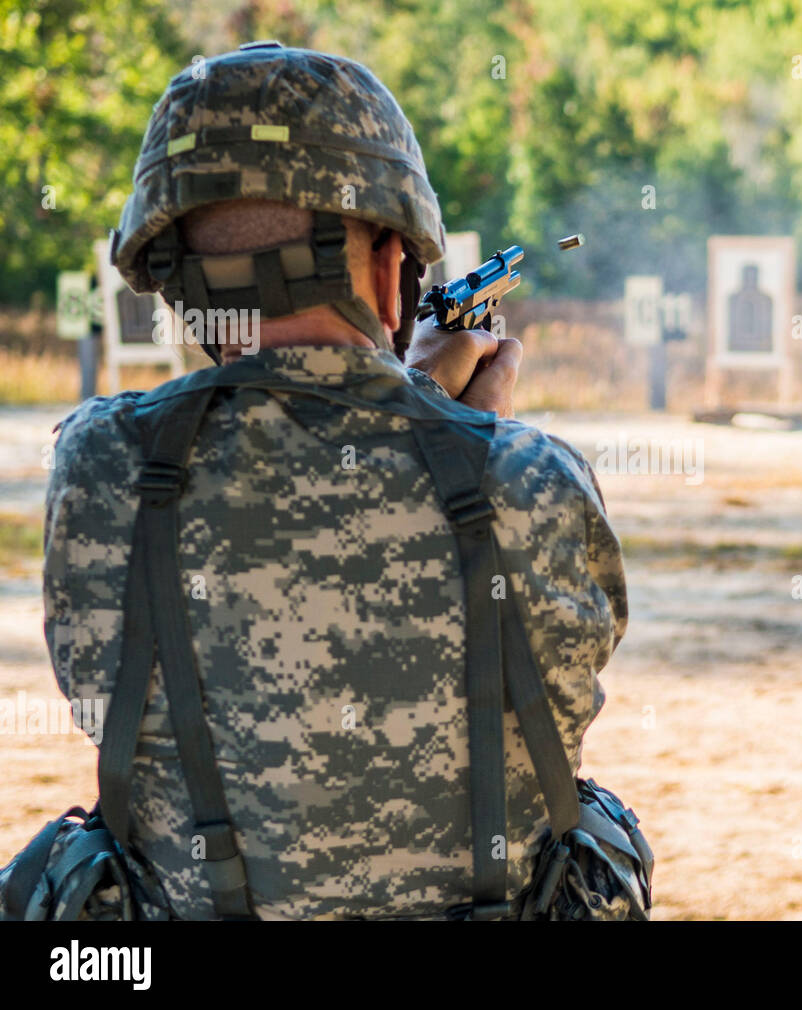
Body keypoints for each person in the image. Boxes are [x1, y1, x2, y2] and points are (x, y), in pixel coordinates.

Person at [41, 42, 628, 919]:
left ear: (173, 283)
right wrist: (463, 432)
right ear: (392, 266)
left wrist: (425, 407)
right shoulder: (535, 480)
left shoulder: (100, 471)